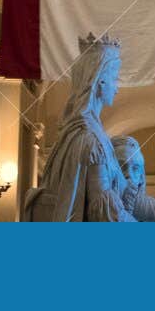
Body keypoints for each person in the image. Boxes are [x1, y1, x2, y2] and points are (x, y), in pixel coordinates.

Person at [23, 35, 134, 221]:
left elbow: (126, 197)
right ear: (100, 81)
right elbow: (106, 214)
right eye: (115, 79)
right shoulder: (89, 139)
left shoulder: (88, 133)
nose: (117, 88)